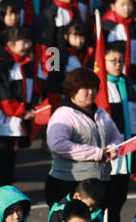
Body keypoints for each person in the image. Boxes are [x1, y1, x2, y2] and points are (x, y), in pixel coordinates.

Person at [44, 67, 123, 206]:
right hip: (69, 183)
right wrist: (96, 153)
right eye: (85, 88)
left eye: (94, 88)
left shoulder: (102, 113)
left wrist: (112, 148)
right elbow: (57, 144)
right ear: (72, 90)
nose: (91, 92)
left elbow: (116, 136)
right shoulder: (64, 114)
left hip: (100, 182)